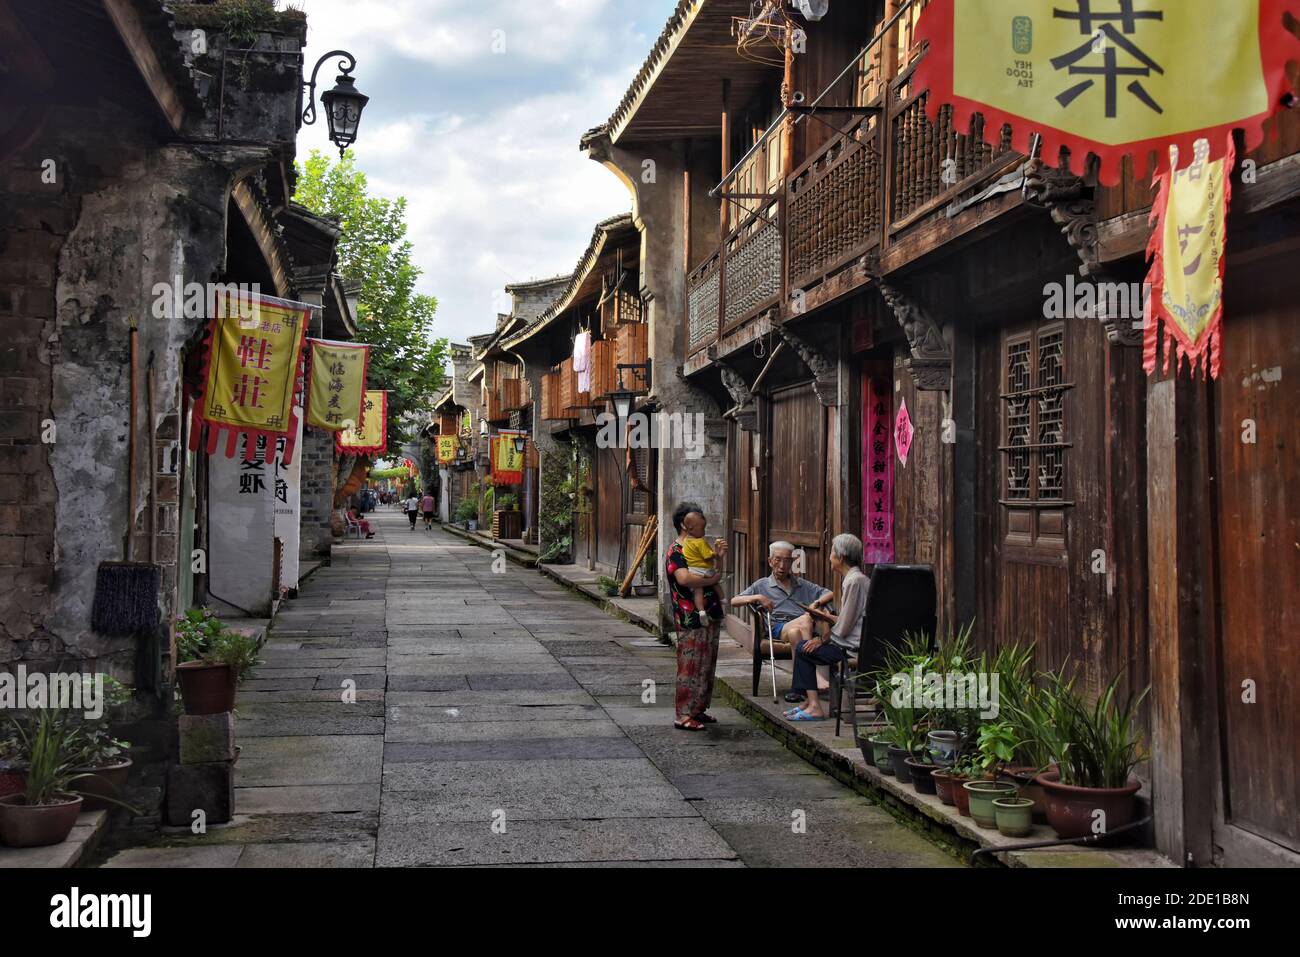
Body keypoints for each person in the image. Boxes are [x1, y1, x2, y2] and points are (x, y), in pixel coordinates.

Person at [783, 533, 867, 722]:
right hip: (851, 642)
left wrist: (821, 639)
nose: (829, 557)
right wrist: (825, 617)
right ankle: (807, 703)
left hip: (851, 648)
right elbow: (849, 618)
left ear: (841, 557)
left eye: (831, 553)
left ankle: (814, 706)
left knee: (804, 650)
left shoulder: (855, 581)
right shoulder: (855, 579)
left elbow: (845, 625)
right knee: (804, 646)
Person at [666, 501, 728, 732]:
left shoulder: (699, 545)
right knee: (690, 664)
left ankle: (698, 708)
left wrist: (718, 558)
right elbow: (684, 579)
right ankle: (683, 713)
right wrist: (712, 580)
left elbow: (715, 568)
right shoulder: (676, 551)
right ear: (685, 525)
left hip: (710, 611)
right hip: (689, 615)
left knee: (706, 662)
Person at [731, 541, 834, 659]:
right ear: (770, 561)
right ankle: (811, 669)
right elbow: (734, 601)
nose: (782, 565)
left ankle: (799, 675)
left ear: (792, 562)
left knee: (795, 632)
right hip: (778, 628)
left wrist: (816, 603)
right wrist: (758, 597)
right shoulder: (761, 585)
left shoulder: (802, 584)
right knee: (806, 618)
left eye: (787, 560)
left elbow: (830, 593)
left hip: (800, 628)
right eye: (778, 560)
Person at [680, 520, 722, 614]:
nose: (704, 531)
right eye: (702, 528)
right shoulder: (700, 541)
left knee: (698, 591)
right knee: (716, 581)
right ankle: (723, 598)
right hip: (704, 570)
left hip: (692, 570)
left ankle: (701, 611)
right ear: (691, 528)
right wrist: (716, 554)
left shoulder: (686, 540)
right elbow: (707, 555)